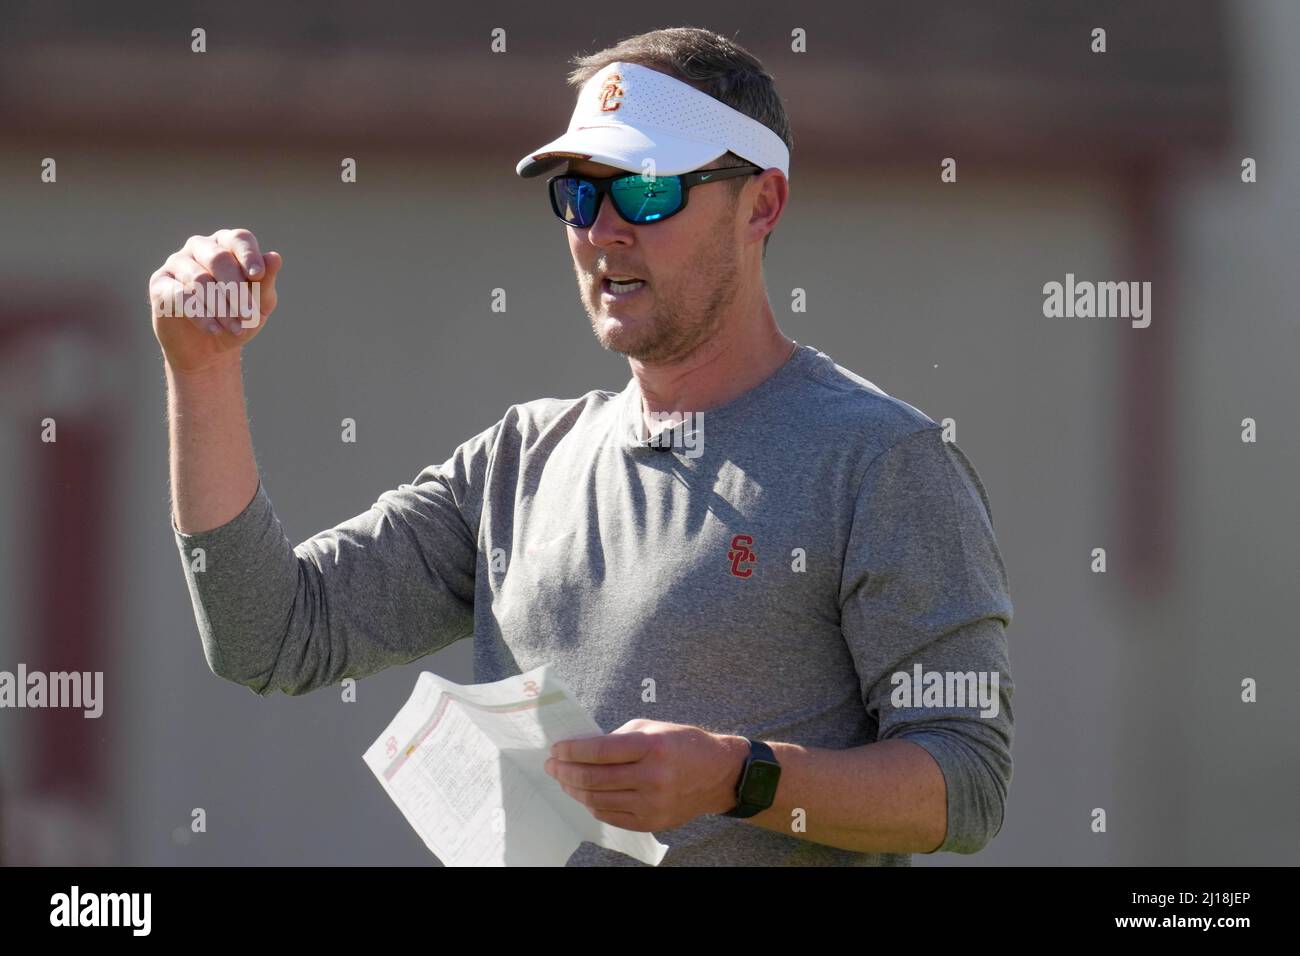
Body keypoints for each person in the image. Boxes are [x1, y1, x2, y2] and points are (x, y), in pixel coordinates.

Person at [153, 27, 1014, 866]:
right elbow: (266, 635)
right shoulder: (518, 460)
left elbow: (967, 783)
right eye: (578, 192)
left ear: (763, 204)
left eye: (646, 189)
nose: (604, 229)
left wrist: (736, 778)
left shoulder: (884, 461)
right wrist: (202, 373)